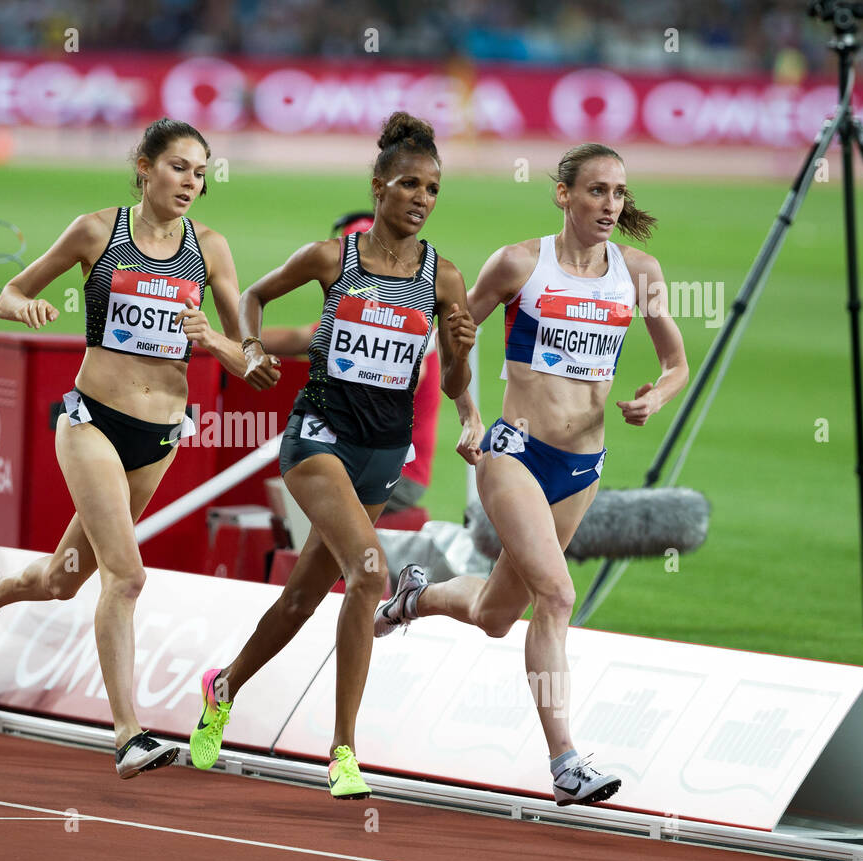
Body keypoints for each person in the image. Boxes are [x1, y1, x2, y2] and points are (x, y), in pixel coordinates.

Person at [0, 118, 280, 779]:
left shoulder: (210, 248)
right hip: (90, 422)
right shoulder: (97, 232)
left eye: (200, 172)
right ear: (144, 166)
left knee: (60, 580)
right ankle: (129, 734)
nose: (191, 181)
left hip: (158, 436)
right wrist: (27, 308)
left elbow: (248, 352)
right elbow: (16, 291)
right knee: (126, 577)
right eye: (178, 167)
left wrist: (214, 341)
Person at [374, 143, 689, 807]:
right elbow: (451, 339)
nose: (610, 205)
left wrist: (654, 397)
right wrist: (467, 414)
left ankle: (416, 596)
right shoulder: (520, 263)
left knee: (493, 614)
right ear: (564, 194)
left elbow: (675, 362)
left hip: (582, 469)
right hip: (513, 453)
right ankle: (565, 762)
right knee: (557, 596)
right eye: (597, 191)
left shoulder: (640, 271)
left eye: (618, 193)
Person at [188, 112, 477, 798]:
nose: (420, 198)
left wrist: (460, 346)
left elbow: (458, 384)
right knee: (371, 575)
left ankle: (222, 686)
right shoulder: (332, 259)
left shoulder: (444, 278)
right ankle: (344, 751)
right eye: (408, 183)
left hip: (384, 454)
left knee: (301, 599)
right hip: (318, 440)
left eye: (432, 188)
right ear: (377, 186)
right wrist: (250, 348)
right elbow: (254, 296)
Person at [260, 211, 443, 514]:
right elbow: (297, 336)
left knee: (297, 498)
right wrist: (220, 339)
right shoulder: (361, 312)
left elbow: (413, 375)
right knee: (298, 495)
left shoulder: (408, 318)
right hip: (358, 454)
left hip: (395, 468)